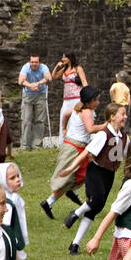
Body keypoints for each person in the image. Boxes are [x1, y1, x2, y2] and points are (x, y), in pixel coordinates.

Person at [63, 103, 129, 254]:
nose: (125, 116)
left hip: (109, 174)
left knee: (95, 209)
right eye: (122, 114)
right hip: (96, 171)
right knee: (96, 201)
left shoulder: (124, 137)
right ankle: (76, 213)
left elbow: (128, 155)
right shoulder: (103, 135)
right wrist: (70, 168)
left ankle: (75, 243)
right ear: (112, 117)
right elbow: (86, 153)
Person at [39, 85, 101, 218]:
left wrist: (64, 128)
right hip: (75, 148)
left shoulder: (78, 108)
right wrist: (107, 126)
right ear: (90, 101)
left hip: (73, 146)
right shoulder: (86, 112)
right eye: (96, 100)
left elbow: (66, 114)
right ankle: (54, 199)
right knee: (74, 177)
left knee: (82, 174)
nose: (98, 102)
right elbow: (90, 129)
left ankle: (68, 192)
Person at [50, 54, 87, 143]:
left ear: (70, 58)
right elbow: (53, 76)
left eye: (64, 57)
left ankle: (75, 139)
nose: (63, 59)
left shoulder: (78, 69)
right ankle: (63, 140)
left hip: (77, 97)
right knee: (64, 117)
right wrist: (57, 66)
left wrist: (86, 95)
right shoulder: (64, 70)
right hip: (66, 99)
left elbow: (84, 81)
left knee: (75, 118)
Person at [18, 54, 51, 149]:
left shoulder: (43, 67)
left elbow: (49, 77)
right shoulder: (25, 67)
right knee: (26, 120)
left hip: (40, 95)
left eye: (36, 62)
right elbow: (20, 80)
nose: (34, 64)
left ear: (39, 62)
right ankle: (25, 145)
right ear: (29, 62)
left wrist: (38, 83)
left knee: (40, 120)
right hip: (28, 95)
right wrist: (30, 85)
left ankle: (36, 145)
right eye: (32, 62)